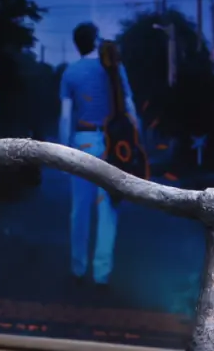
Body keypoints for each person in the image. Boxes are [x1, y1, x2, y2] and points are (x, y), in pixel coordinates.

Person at [57, 23, 140, 286]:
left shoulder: (70, 72)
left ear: (76, 44)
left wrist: (62, 151)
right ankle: (101, 273)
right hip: (112, 142)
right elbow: (129, 106)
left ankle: (77, 268)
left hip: (82, 141)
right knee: (108, 209)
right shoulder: (114, 68)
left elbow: (66, 116)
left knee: (79, 209)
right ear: (95, 41)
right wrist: (137, 140)